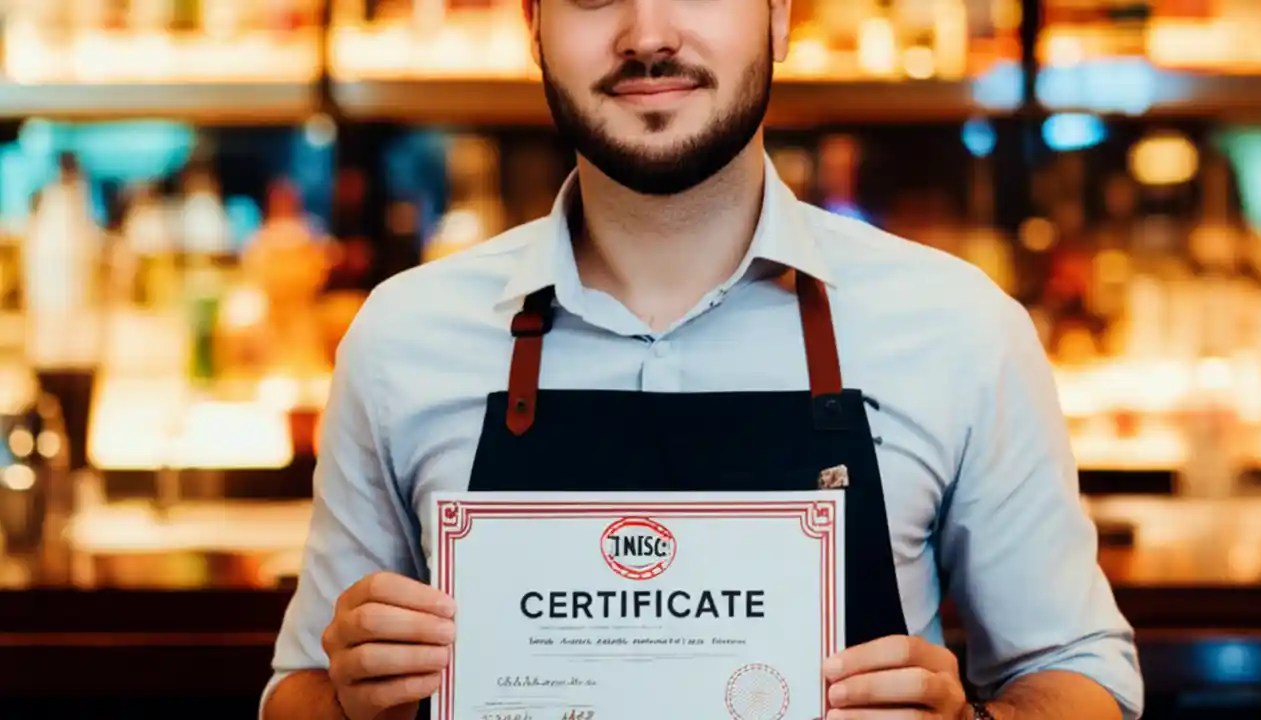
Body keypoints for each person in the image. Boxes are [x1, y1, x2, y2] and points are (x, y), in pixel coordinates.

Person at [263, 1, 1144, 719]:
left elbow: (1083, 678)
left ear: (780, 15)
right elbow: (294, 692)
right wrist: (350, 698)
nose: (647, 34)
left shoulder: (960, 329)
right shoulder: (403, 338)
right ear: (532, 24)